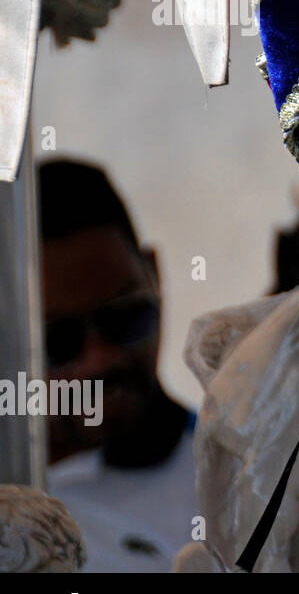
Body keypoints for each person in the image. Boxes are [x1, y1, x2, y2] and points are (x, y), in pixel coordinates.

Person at [40, 159, 196, 572]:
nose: (100, 360)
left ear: (155, 275)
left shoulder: (242, 478)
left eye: (125, 318)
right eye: (61, 340)